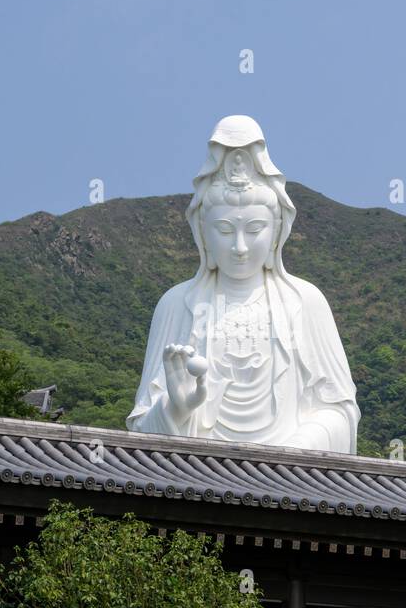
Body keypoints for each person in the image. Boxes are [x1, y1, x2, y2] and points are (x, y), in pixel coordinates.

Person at [127, 115, 360, 453]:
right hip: (197, 486)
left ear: (277, 231)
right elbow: (139, 436)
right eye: (224, 230)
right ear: (203, 234)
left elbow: (341, 413)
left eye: (254, 229)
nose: (239, 247)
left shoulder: (305, 302)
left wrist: (291, 453)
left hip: (291, 484)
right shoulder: (177, 304)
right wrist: (173, 410)